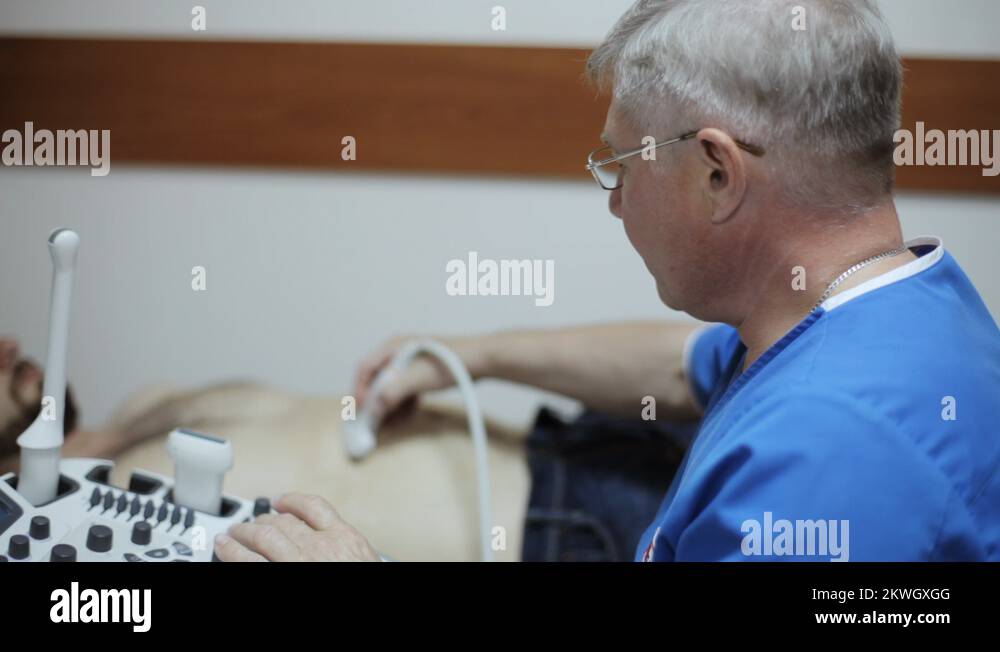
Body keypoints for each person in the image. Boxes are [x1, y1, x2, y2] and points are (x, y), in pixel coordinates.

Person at [214, 0, 1000, 562]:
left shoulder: (825, 463)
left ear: (718, 174)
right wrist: (475, 354)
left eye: (620, 164)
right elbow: (680, 363)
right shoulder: (891, 309)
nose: (615, 199)